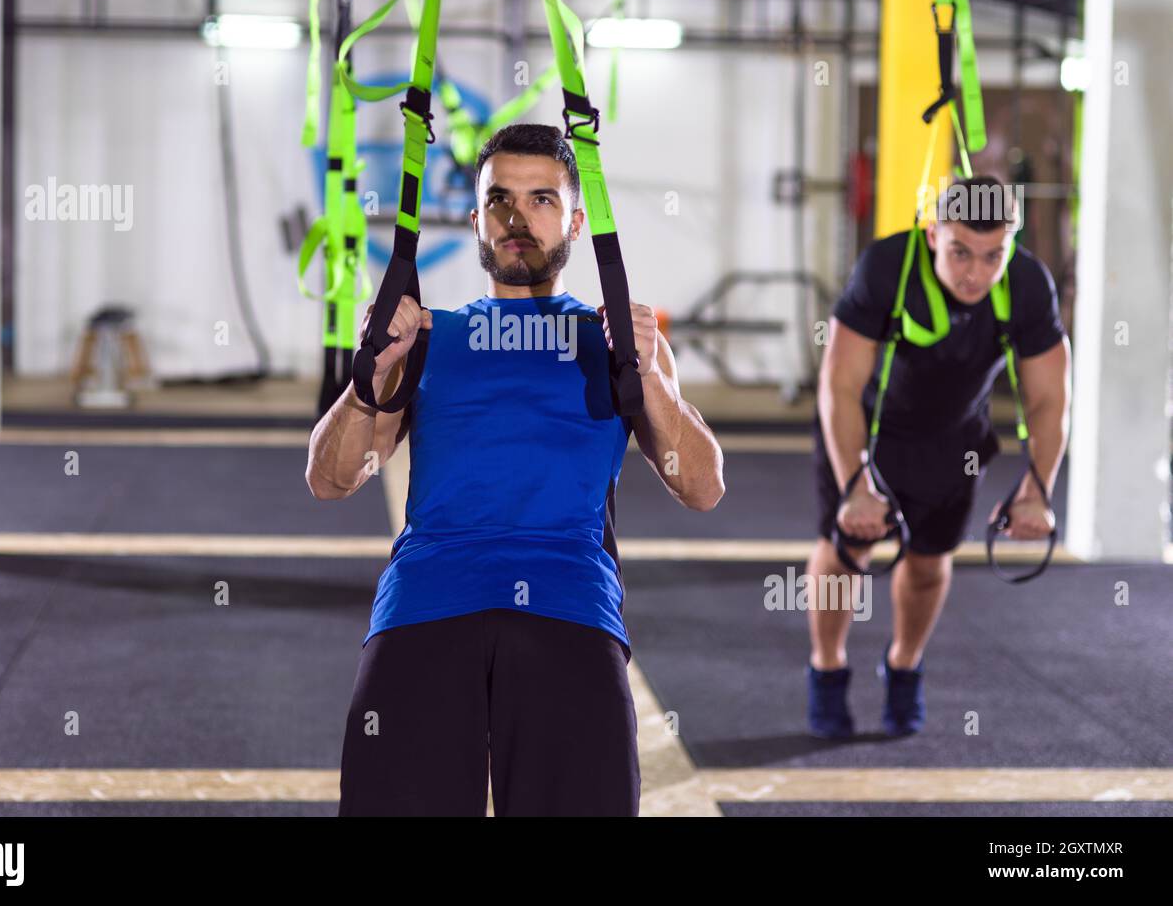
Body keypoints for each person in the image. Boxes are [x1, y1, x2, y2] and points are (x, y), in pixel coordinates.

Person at [307, 123, 725, 815]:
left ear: (575, 220)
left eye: (541, 200)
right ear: (475, 220)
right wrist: (367, 378)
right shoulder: (427, 338)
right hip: (427, 603)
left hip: (570, 608)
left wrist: (653, 377)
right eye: (499, 200)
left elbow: (703, 487)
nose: (517, 219)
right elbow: (329, 479)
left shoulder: (612, 340)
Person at [808, 176, 1070, 738]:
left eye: (992, 255)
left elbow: (1049, 399)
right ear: (933, 234)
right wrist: (855, 479)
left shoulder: (1026, 284)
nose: (975, 272)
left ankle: (903, 666)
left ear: (1011, 242)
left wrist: (1038, 488)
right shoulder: (886, 267)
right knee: (845, 553)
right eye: (960, 253)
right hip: (866, 432)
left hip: (955, 442)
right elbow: (840, 385)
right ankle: (827, 668)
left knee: (928, 564)